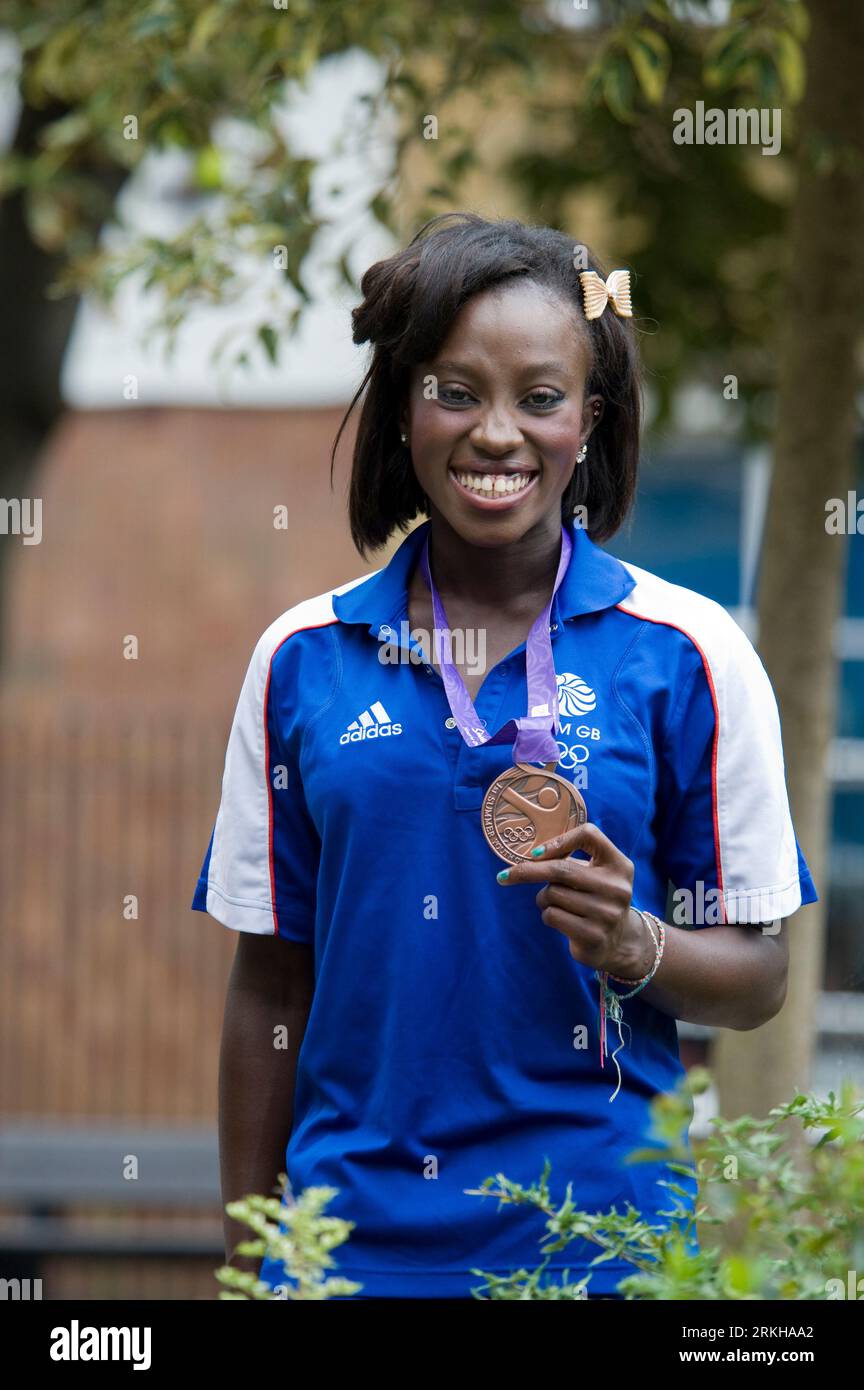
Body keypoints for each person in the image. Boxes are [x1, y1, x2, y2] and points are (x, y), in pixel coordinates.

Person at [192, 212, 817, 1301]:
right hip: (349, 1252)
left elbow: (760, 973)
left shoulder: (691, 652)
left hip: (606, 1248)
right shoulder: (301, 659)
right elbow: (267, 985)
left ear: (590, 419)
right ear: (401, 411)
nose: (496, 433)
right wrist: (249, 1268)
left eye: (539, 397)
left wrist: (635, 942)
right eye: (454, 390)